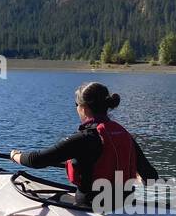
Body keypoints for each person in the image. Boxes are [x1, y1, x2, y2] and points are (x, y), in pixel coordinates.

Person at [9, 82, 158, 208]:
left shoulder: (85, 138)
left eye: (76, 104)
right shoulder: (124, 134)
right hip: (125, 203)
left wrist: (15, 155)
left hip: (92, 205)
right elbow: (151, 177)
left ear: (84, 108)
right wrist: (138, 175)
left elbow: (37, 160)